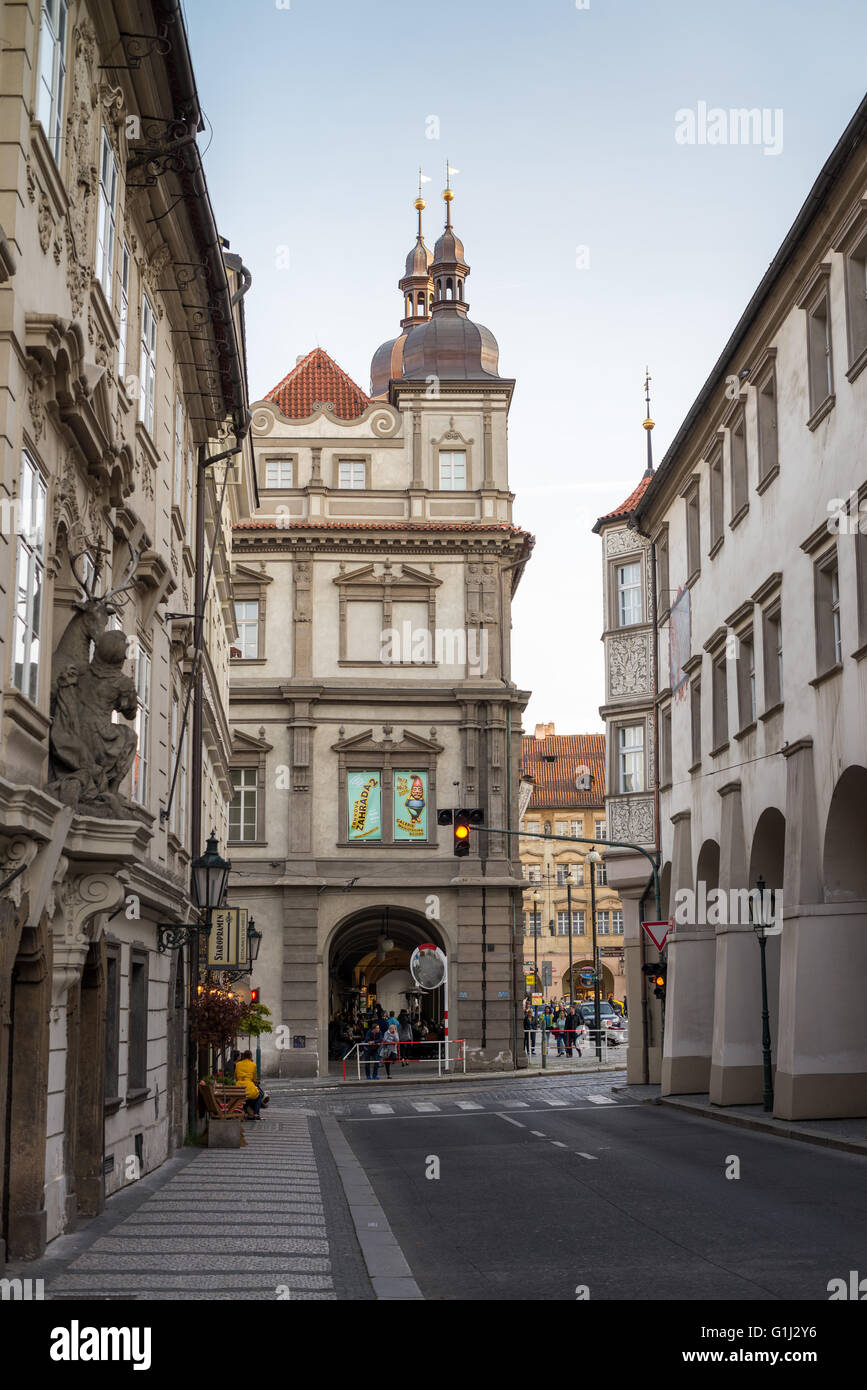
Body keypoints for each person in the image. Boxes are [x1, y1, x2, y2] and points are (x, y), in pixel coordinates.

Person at [234, 1050, 262, 1120]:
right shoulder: (253, 1065)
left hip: (239, 1088)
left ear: (243, 1056)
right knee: (259, 1095)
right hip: (249, 1086)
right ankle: (256, 1113)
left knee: (246, 1097)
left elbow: (235, 1077)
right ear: (250, 1056)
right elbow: (254, 1078)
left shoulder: (238, 1064)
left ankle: (247, 1110)